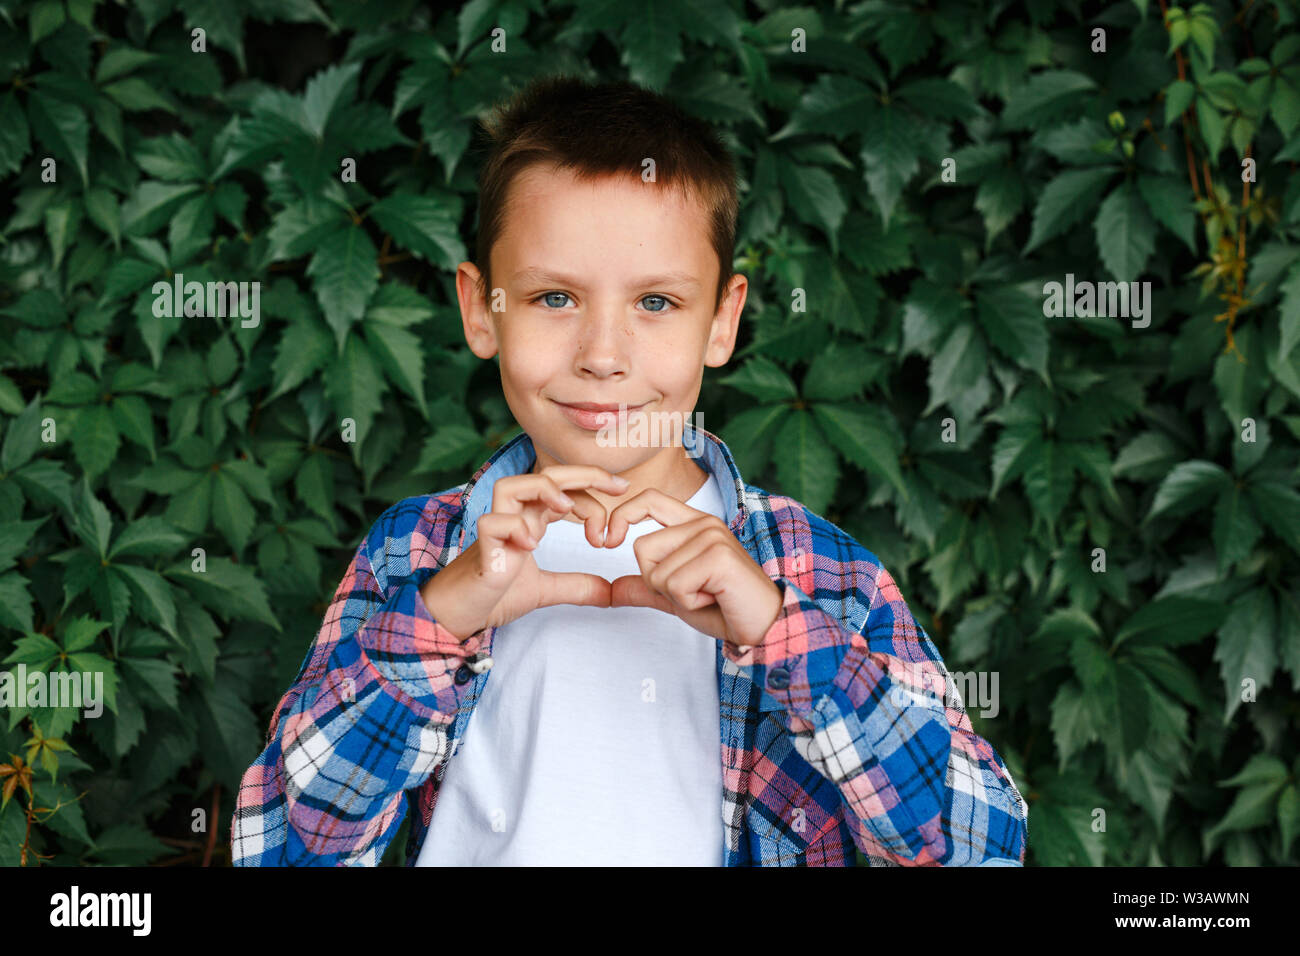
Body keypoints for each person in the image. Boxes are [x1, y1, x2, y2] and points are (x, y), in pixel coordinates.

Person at [230, 74, 1029, 866]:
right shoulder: (417, 551)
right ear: (482, 311)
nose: (603, 357)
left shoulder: (821, 576)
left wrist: (784, 636)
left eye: (655, 303)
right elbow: (284, 846)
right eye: (552, 298)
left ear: (722, 321)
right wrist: (436, 622)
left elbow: (979, 847)